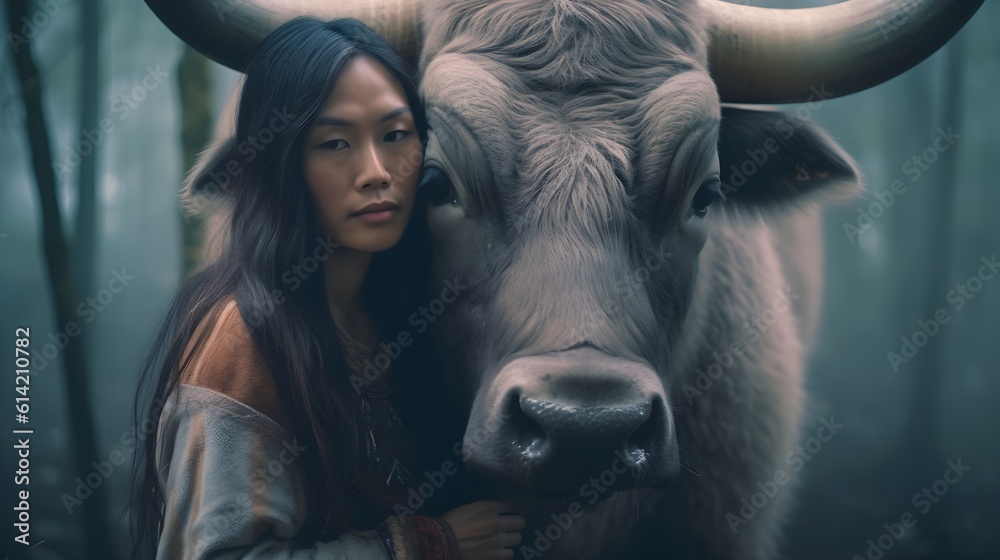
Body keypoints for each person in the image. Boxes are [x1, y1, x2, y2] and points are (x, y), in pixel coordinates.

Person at [124, 17, 524, 560]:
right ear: (279, 163)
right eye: (335, 143)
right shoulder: (244, 342)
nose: (377, 171)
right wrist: (430, 544)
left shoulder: (397, 313)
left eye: (396, 135)